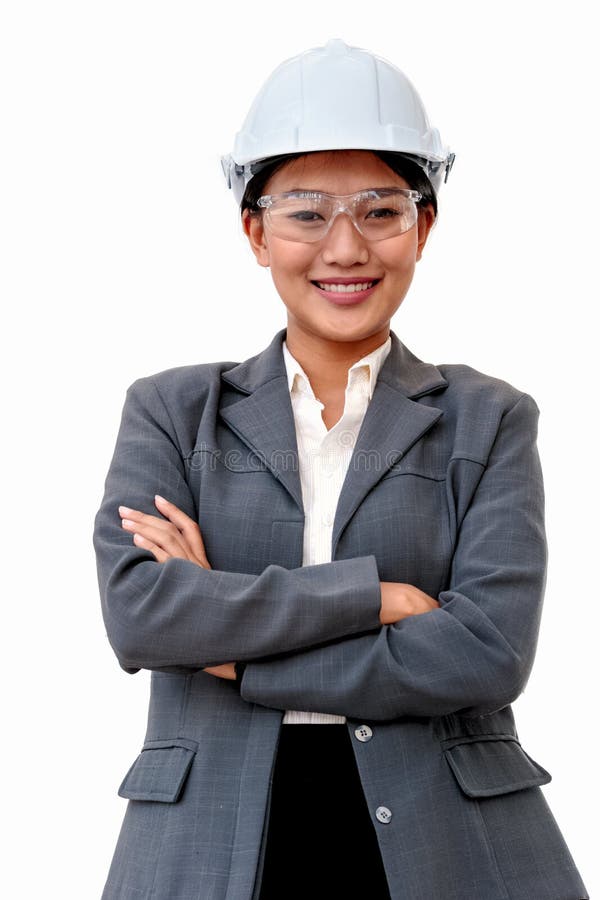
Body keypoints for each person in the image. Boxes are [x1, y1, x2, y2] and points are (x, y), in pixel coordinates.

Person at [93, 39, 589, 900]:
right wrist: (372, 598)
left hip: (450, 841)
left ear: (422, 227)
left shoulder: (490, 418)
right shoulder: (171, 410)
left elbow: (485, 651)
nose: (346, 246)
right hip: (208, 838)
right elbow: (144, 614)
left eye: (379, 210)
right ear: (256, 231)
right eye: (307, 212)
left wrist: (238, 656)